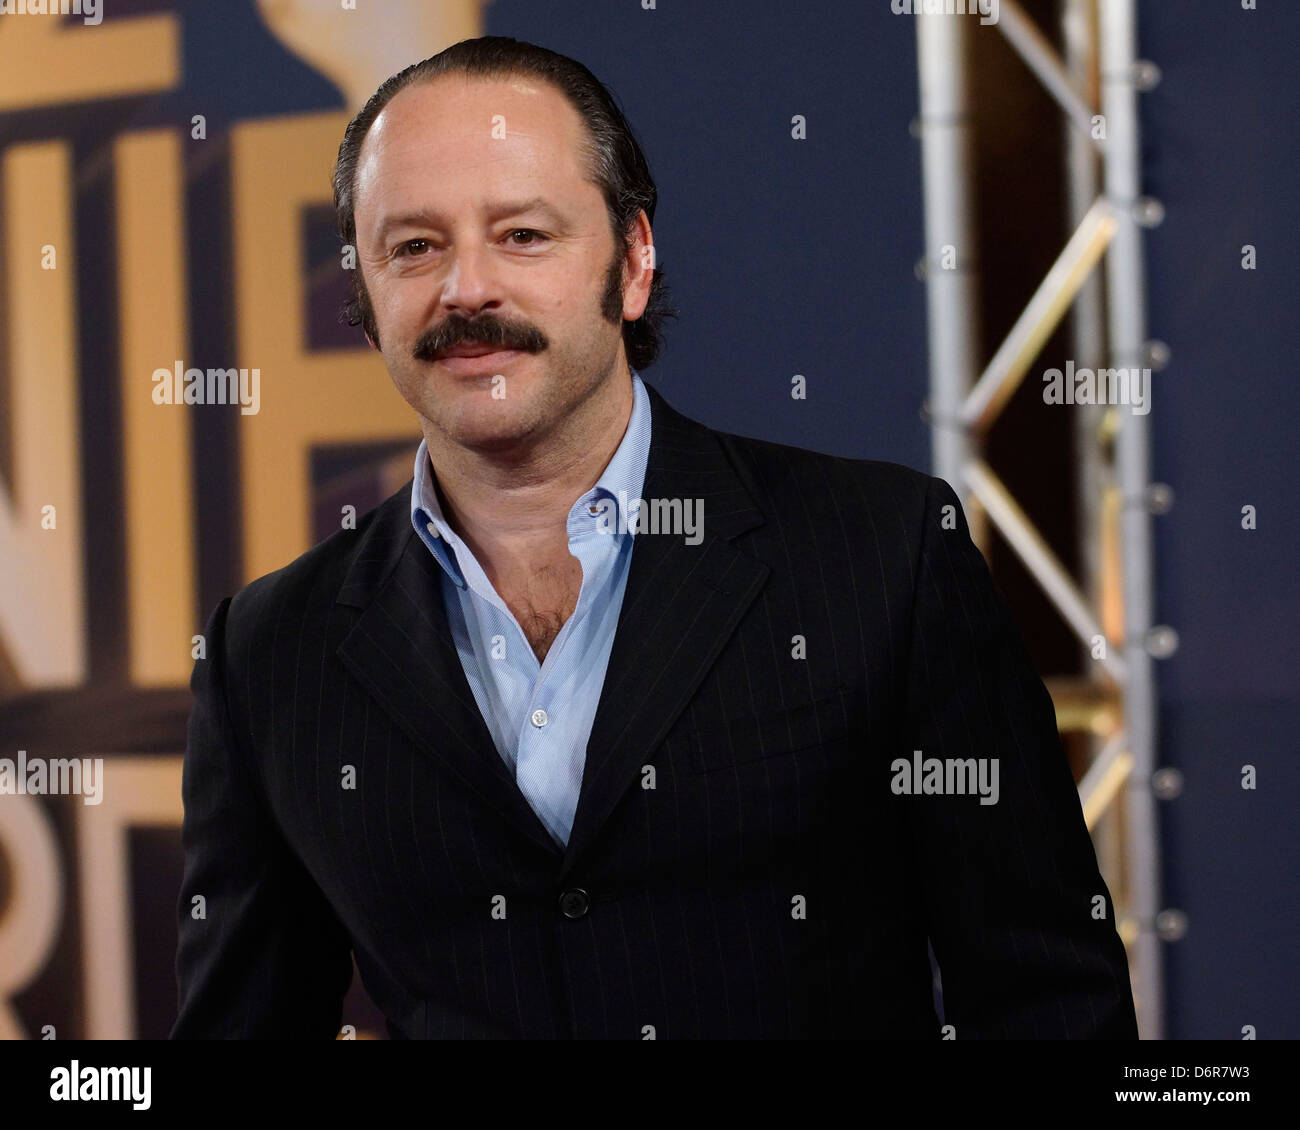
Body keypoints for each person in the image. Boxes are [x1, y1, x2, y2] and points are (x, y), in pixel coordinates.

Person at [172, 36, 1137, 1039]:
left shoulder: (881, 557)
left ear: (632, 263)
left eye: (523, 234)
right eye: (412, 246)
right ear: (366, 300)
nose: (465, 288)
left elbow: (1048, 1000)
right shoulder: (268, 654)